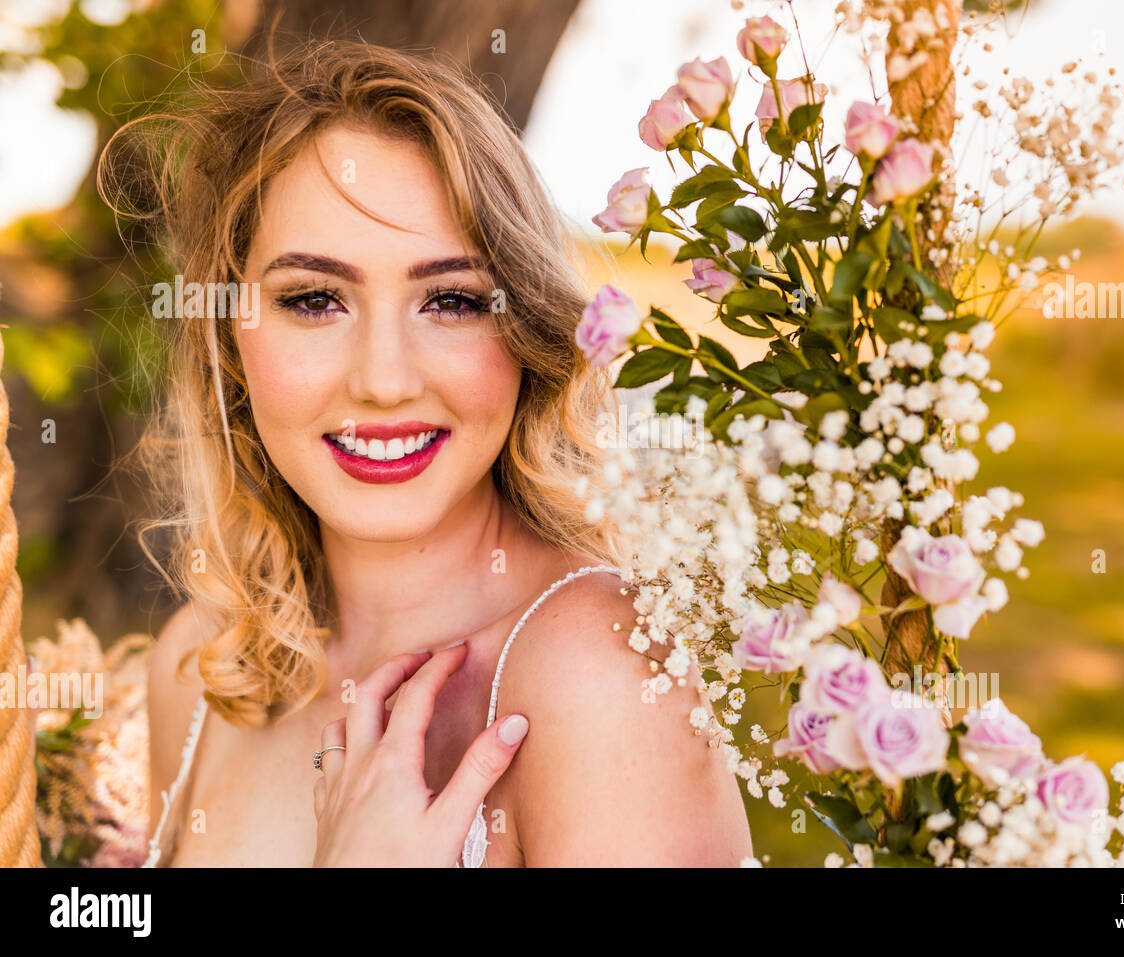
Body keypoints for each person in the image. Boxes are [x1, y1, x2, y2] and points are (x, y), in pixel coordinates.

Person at [99, 39, 752, 867]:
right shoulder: (199, 671)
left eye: (450, 300)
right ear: (230, 338)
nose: (382, 381)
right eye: (313, 299)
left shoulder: (599, 674)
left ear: (525, 332)